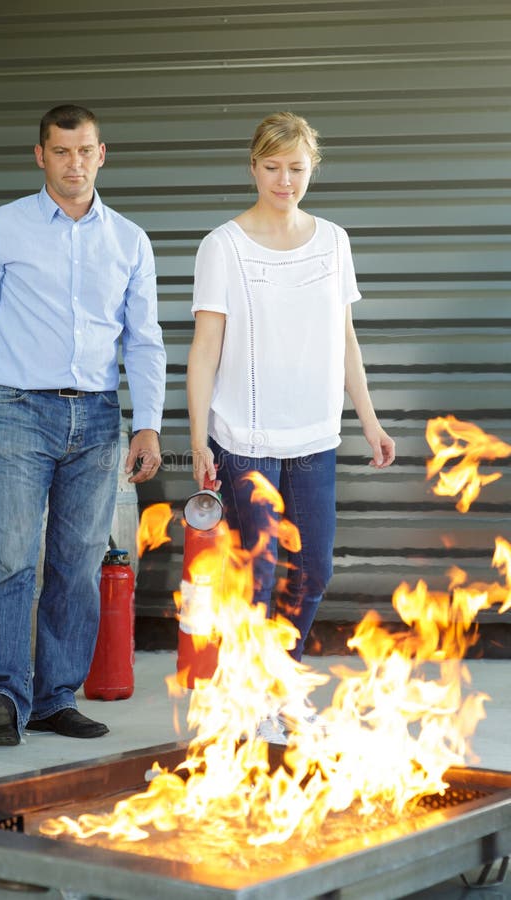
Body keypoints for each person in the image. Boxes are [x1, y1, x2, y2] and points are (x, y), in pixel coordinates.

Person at [0, 104, 166, 746]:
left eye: (85, 151)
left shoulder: (129, 240)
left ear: (103, 155)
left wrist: (147, 424)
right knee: (11, 558)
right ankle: (3, 697)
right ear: (40, 156)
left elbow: (144, 341)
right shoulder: (0, 228)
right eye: (61, 152)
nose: (74, 164)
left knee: (76, 563)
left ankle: (53, 698)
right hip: (14, 408)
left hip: (97, 415)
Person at [187, 111, 395, 663]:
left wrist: (369, 422)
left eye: (297, 168)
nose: (285, 180)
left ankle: (278, 680)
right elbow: (204, 350)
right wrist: (198, 437)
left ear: (313, 169)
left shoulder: (333, 242)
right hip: (244, 439)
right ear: (253, 167)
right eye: (273, 167)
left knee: (313, 573)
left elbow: (345, 339)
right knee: (254, 578)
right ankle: (248, 696)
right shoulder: (222, 246)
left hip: (315, 436)